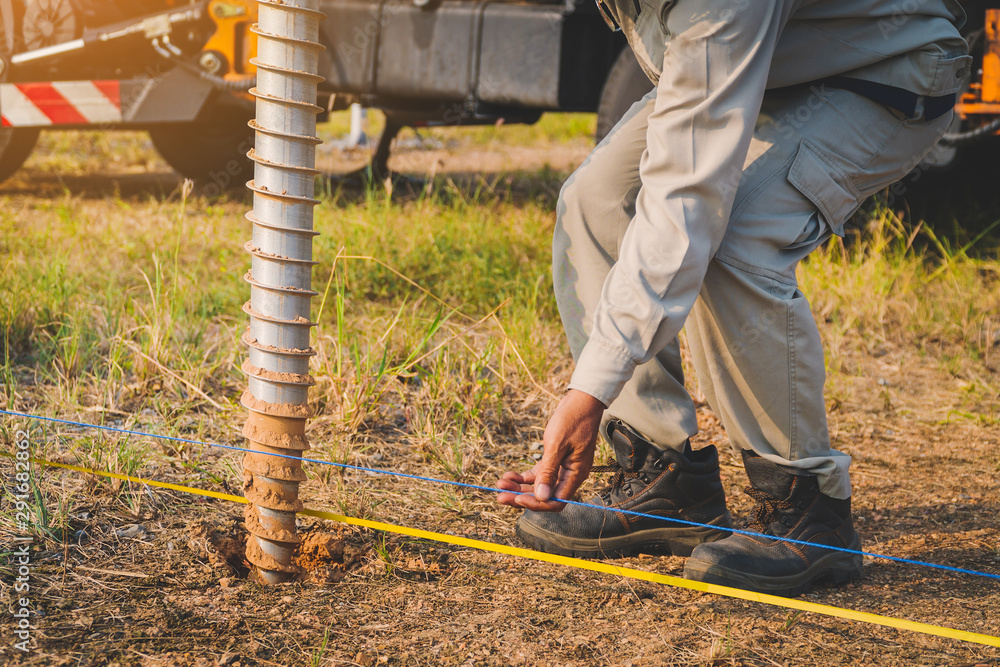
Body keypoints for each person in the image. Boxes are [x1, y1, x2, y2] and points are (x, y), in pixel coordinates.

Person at [496, 0, 970, 597]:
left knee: (735, 237)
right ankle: (664, 478)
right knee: (595, 197)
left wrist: (589, 389)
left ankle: (806, 508)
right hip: (767, 63)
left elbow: (686, 203)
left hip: (886, 64)